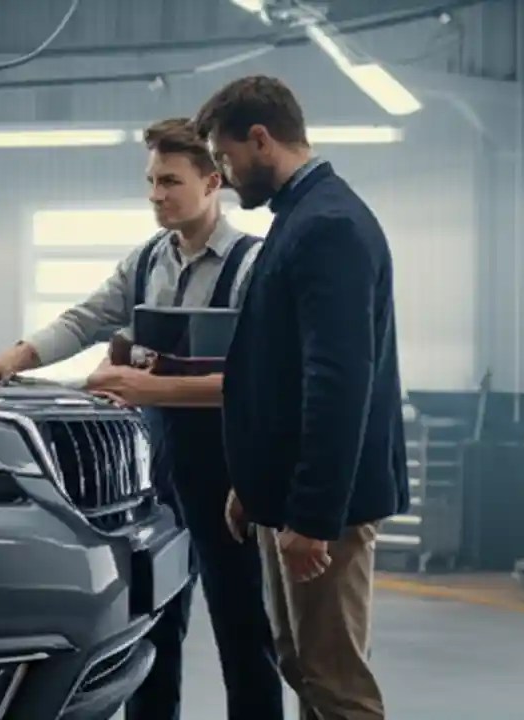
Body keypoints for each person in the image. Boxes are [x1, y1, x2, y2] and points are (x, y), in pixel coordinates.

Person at [0, 118, 284, 720]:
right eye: (150, 181)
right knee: (153, 623)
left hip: (227, 466)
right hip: (156, 465)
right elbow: (85, 319)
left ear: (213, 181)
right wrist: (16, 355)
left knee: (242, 626)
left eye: (170, 181)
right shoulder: (146, 261)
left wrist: (144, 382)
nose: (156, 195)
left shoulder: (252, 264)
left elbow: (260, 384)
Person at [194, 75, 409, 720]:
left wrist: (313, 517)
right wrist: (252, 486)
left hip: (324, 508)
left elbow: (338, 381)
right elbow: (274, 369)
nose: (226, 178)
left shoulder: (329, 226)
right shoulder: (300, 219)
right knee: (304, 665)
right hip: (287, 494)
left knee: (335, 680)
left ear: (261, 139)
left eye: (226, 158)